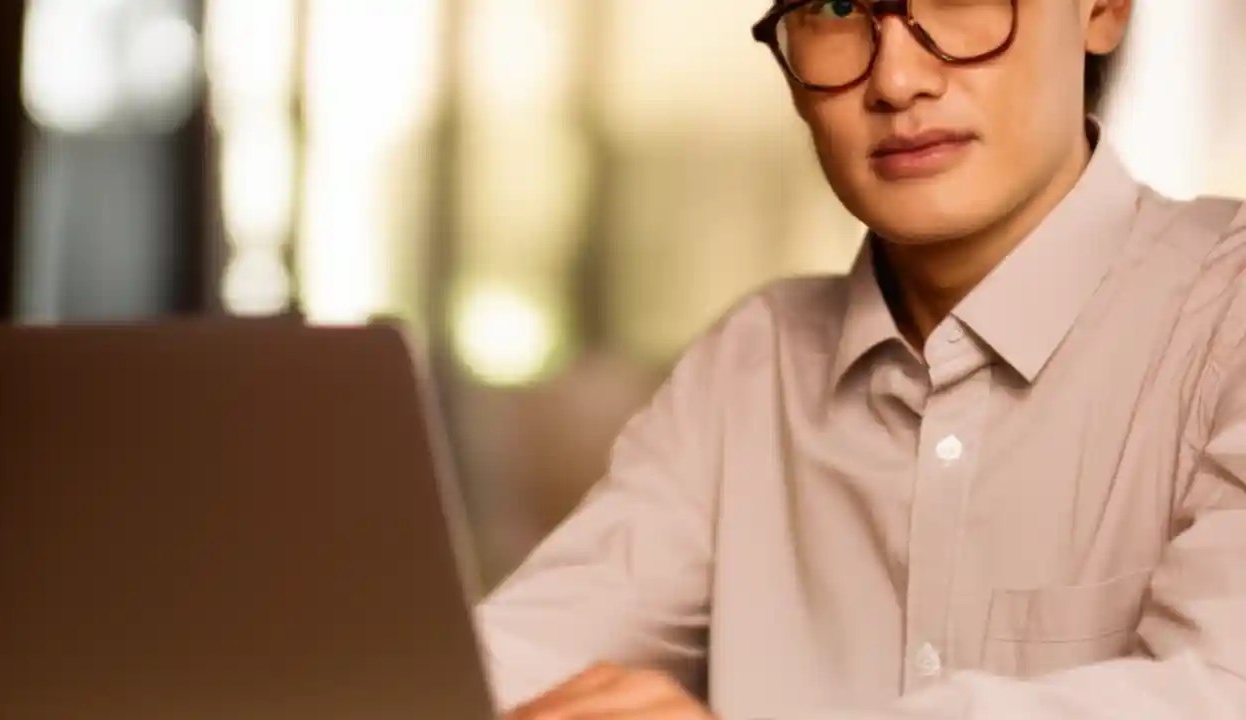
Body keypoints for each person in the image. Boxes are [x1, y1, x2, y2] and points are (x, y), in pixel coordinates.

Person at [478, 0, 1246, 717]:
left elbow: (1217, 693)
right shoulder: (754, 362)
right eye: (837, 7)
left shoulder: (1224, 316)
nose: (896, 81)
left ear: (1104, 9)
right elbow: (506, 658)